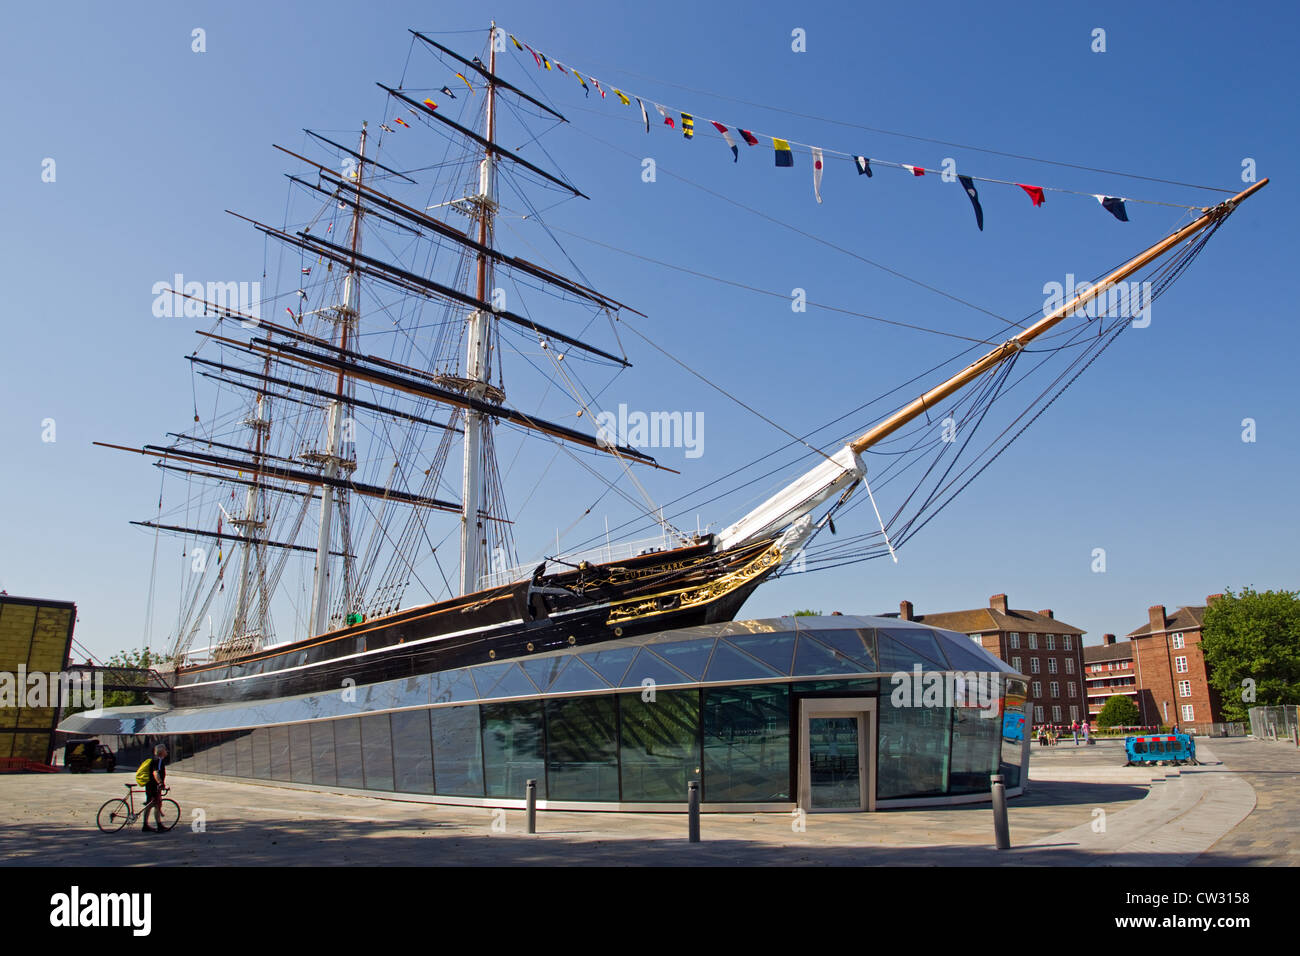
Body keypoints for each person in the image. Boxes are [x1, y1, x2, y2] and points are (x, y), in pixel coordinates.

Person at [140, 743, 168, 833]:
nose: (166, 751)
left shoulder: (154, 759)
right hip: (154, 786)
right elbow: (155, 772)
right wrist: (160, 783)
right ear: (161, 752)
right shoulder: (159, 760)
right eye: (165, 750)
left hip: (149, 785)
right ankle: (159, 825)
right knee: (156, 805)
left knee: (150, 804)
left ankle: (145, 825)